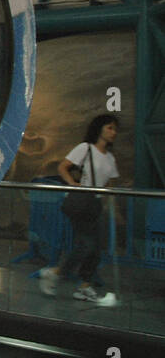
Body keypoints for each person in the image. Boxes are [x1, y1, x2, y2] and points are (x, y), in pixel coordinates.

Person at [39, 114, 120, 305]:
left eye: (115, 129)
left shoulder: (110, 158)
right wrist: (74, 185)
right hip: (82, 202)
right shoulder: (86, 149)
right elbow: (63, 167)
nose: (113, 132)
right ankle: (56, 273)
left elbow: (110, 184)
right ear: (99, 128)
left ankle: (84, 286)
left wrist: (112, 207)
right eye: (109, 127)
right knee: (86, 244)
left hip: (96, 204)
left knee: (94, 248)